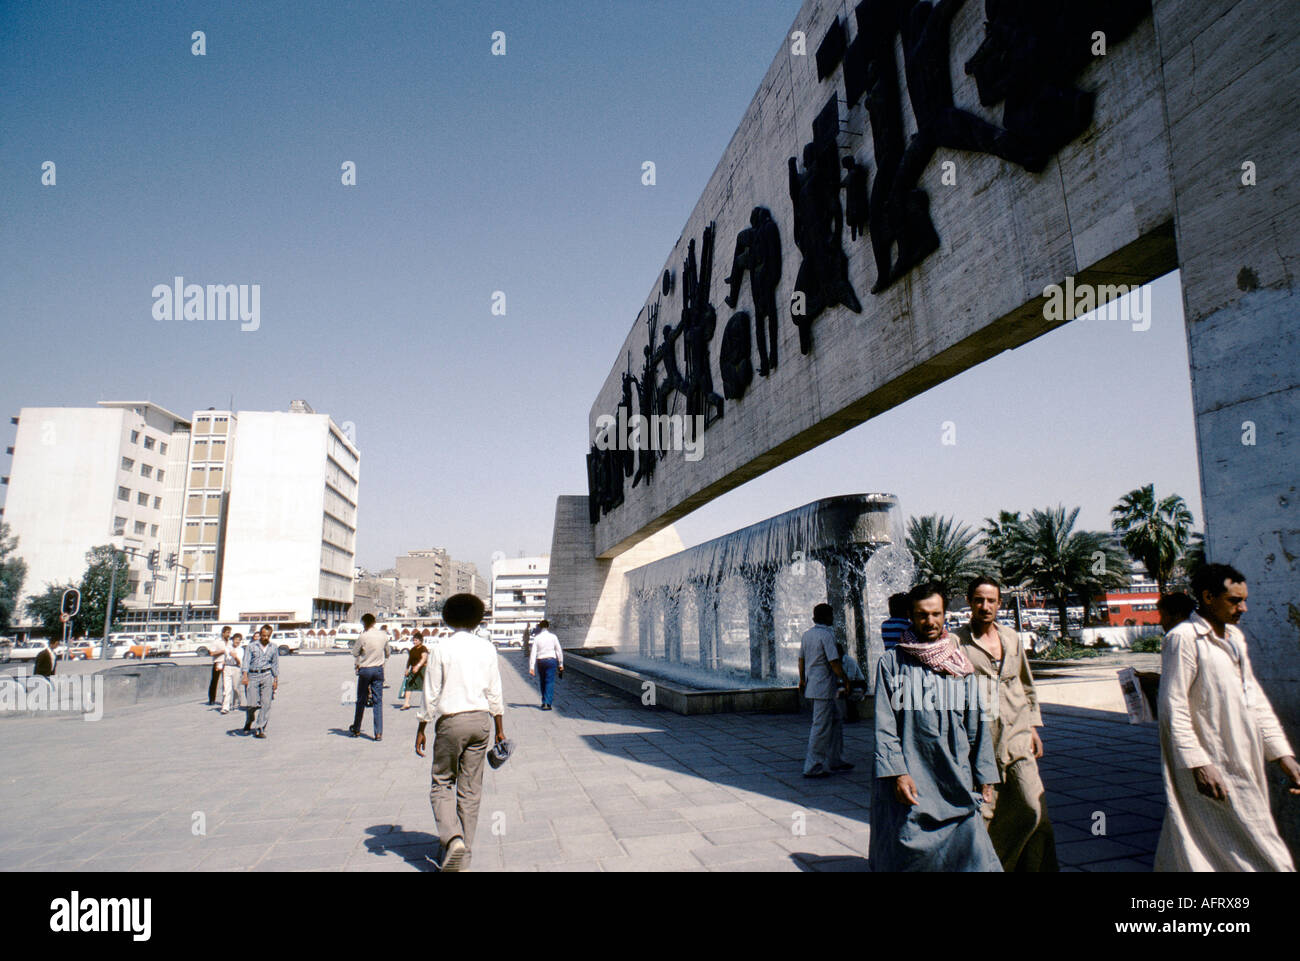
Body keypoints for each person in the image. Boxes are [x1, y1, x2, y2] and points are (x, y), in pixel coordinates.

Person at [1155, 564, 1300, 871]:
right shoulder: (1184, 639)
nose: (1243, 608)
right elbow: (1173, 706)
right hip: (1210, 763)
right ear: (1208, 597)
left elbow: (1255, 701)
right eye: (1235, 600)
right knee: (1264, 852)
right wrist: (1199, 764)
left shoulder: (1234, 637)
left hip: (1243, 757)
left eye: (1244, 600)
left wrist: (1283, 756)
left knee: (1205, 848)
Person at [870, 582, 1001, 872]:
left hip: (954, 773)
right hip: (914, 774)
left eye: (936, 614)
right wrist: (898, 772)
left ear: (945, 615)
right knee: (912, 847)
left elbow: (976, 722)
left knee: (972, 850)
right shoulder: (891, 664)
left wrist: (985, 773)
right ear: (911, 616)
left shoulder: (959, 664)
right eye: (922, 615)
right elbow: (885, 726)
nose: (930, 621)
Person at [955, 576, 1058, 871]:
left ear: (1000, 604)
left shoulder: (1011, 637)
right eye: (978, 600)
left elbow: (1025, 683)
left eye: (991, 600)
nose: (985, 606)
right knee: (986, 812)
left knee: (1032, 807)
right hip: (980, 739)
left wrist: (1034, 725)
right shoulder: (956, 642)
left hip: (1017, 734)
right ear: (969, 602)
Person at [414, 593, 507, 872]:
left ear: (449, 618)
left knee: (442, 782)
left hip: (451, 721)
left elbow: (430, 693)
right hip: (481, 723)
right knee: (470, 790)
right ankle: (463, 858)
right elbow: (495, 691)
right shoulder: (487, 648)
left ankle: (452, 838)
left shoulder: (442, 648)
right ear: (478, 618)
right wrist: (500, 729)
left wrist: (421, 727)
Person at [798, 604, 852, 778]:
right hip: (824, 687)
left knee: (836, 721)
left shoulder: (807, 635)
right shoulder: (827, 635)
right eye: (831, 615)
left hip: (814, 684)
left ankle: (836, 759)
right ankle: (813, 766)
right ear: (827, 617)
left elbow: (801, 659)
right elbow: (834, 662)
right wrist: (845, 679)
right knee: (820, 727)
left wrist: (801, 679)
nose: (833, 618)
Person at [350, 613, 387, 740]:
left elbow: (355, 652)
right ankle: (378, 733)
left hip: (365, 670)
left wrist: (363, 653)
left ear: (364, 623)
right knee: (378, 701)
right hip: (378, 670)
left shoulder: (363, 636)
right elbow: (388, 652)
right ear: (374, 622)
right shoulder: (383, 635)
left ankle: (356, 728)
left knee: (361, 700)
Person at [240, 624, 279, 738]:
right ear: (260, 635)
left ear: (270, 635)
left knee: (266, 703)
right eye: (263, 635)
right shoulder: (251, 646)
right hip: (253, 675)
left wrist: (275, 679)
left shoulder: (273, 647)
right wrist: (245, 676)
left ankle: (260, 728)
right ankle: (250, 718)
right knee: (252, 704)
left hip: (267, 675)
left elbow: (275, 664)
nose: (265, 638)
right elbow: (246, 661)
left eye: (267, 636)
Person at [528, 620, 563, 710]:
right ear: (548, 627)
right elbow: (558, 650)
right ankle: (547, 703)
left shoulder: (537, 638)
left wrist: (532, 667)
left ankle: (544, 702)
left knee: (542, 681)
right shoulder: (553, 637)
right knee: (549, 681)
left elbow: (533, 652)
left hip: (541, 661)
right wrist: (561, 663)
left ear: (540, 627)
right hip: (551, 660)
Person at [400, 631, 430, 711]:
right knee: (409, 685)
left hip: (422, 669)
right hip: (413, 670)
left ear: (420, 641)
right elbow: (409, 660)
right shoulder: (412, 649)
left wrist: (418, 666)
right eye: (413, 640)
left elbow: (424, 658)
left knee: (426, 686)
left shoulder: (423, 648)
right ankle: (406, 703)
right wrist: (407, 669)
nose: (414, 642)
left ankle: (428, 705)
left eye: (416, 640)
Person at [220, 633, 245, 715]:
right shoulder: (227, 648)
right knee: (227, 688)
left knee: (235, 688)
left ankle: (236, 704)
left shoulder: (241, 650)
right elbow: (225, 658)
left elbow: (239, 662)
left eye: (238, 640)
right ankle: (225, 707)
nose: (236, 642)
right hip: (227, 668)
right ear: (233, 640)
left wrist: (235, 656)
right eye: (235, 640)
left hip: (236, 668)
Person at [208, 626, 230, 706]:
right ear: (223, 633)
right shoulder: (217, 642)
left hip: (227, 663)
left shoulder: (229, 642)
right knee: (214, 681)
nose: (228, 634)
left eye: (229, 633)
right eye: (227, 633)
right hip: (218, 663)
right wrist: (222, 651)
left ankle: (225, 700)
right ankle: (212, 699)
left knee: (226, 682)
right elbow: (211, 653)